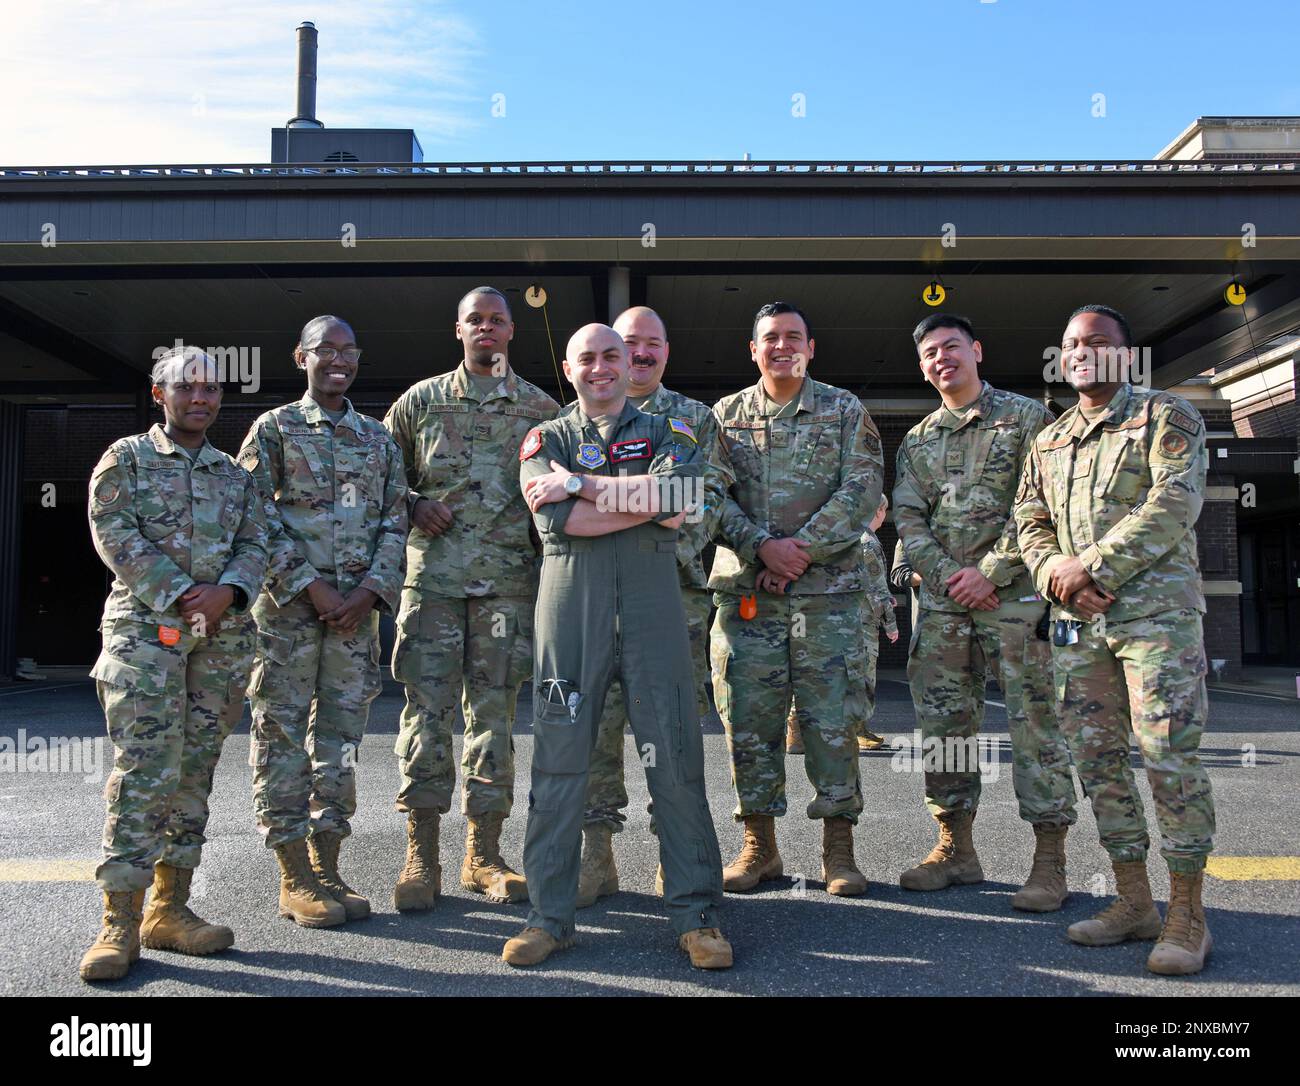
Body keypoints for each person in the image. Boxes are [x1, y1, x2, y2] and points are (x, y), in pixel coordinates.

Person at [508, 323, 730, 969]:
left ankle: (697, 916)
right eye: (589, 358)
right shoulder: (545, 437)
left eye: (614, 355)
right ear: (569, 367)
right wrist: (639, 500)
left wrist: (580, 484)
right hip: (568, 613)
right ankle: (548, 918)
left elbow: (682, 502)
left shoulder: (667, 431)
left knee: (678, 760)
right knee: (557, 762)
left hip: (652, 609)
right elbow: (556, 520)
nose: (603, 367)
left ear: (628, 361)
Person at [1016, 303, 1216, 975]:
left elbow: (1175, 501)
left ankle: (1188, 913)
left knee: (1167, 758)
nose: (1081, 352)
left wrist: (1090, 566)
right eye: (1071, 343)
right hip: (1077, 621)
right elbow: (1029, 518)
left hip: (1155, 620)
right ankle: (1134, 902)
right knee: (1097, 761)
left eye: (1097, 343)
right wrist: (1054, 574)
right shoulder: (1049, 438)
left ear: (1124, 357)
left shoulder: (1166, 416)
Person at [80, 347, 267, 982]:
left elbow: (258, 541)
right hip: (147, 632)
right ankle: (119, 923)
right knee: (144, 772)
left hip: (220, 637)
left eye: (211, 390)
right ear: (159, 394)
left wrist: (230, 592)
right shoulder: (126, 459)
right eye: (186, 388)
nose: (201, 399)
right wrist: (185, 593)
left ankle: (171, 909)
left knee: (193, 772)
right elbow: (114, 532)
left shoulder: (235, 475)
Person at [383, 287, 560, 909]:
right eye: (474, 320)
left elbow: (559, 502)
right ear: (457, 329)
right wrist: (412, 503)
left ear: (511, 331)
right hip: (432, 584)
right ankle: (421, 856)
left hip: (508, 591)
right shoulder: (420, 403)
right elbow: (380, 480)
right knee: (426, 716)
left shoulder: (541, 410)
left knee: (494, 719)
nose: (486, 329)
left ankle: (483, 854)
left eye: (496, 321)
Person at [892, 314, 1077, 910]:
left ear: (977, 349)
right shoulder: (918, 440)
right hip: (945, 607)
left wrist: (989, 572)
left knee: (1035, 725)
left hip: (1017, 600)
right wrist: (950, 578)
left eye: (951, 347)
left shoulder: (1026, 419)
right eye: (929, 353)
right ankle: (955, 848)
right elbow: (909, 519)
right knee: (946, 730)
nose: (941, 358)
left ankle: (1049, 862)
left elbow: (1046, 502)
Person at [710, 302, 884, 897]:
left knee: (832, 722)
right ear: (752, 349)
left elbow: (861, 489)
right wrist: (762, 548)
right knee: (749, 724)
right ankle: (759, 847)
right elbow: (713, 496)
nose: (781, 346)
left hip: (827, 598)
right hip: (748, 599)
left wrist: (799, 551)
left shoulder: (843, 410)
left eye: (793, 338)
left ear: (811, 348)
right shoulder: (723, 417)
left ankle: (839, 850)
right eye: (770, 339)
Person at [239, 316, 407, 927]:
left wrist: (368, 592)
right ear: (301, 357)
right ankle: (293, 874)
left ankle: (328, 863)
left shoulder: (376, 438)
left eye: (347, 351)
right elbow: (253, 515)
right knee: (281, 737)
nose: (338, 360)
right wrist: (308, 586)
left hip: (354, 618)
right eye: (325, 351)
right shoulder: (273, 429)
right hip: (288, 615)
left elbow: (396, 520)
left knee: (341, 742)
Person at [577, 306, 730, 908]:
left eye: (651, 345)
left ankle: (676, 853)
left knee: (669, 733)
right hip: (593, 603)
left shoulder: (694, 418)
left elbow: (703, 500)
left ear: (667, 351)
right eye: (627, 343)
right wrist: (641, 509)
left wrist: (636, 542)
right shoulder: (572, 421)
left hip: (673, 597)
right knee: (593, 732)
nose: (638, 354)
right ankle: (596, 856)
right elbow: (556, 510)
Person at [785, 494, 897, 755]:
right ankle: (857, 730)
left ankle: (796, 733)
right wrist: (891, 624)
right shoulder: (868, 542)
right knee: (863, 675)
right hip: (861, 621)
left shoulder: (842, 536)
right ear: (878, 511)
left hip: (832, 617)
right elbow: (877, 590)